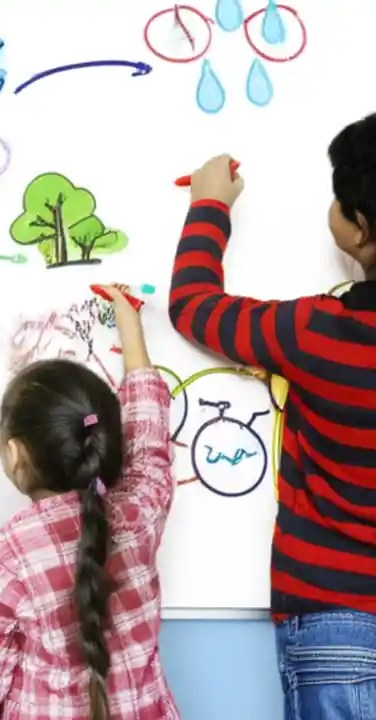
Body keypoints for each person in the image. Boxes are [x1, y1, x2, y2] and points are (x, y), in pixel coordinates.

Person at [172, 128, 376, 718]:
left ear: (360, 229)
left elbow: (192, 305)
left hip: (333, 615)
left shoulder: (315, 333)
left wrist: (210, 205)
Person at [0, 285, 179, 720]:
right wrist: (130, 326)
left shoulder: (2, 559)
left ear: (14, 453)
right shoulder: (138, 513)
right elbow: (149, 443)